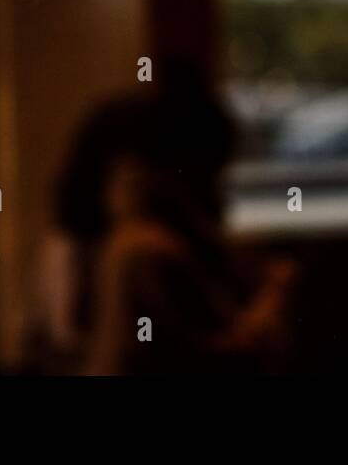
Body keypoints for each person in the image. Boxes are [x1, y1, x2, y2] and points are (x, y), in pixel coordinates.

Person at [53, 64, 294, 374]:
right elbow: (212, 361)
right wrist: (273, 296)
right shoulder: (147, 251)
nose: (219, 192)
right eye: (212, 173)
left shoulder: (138, 242)